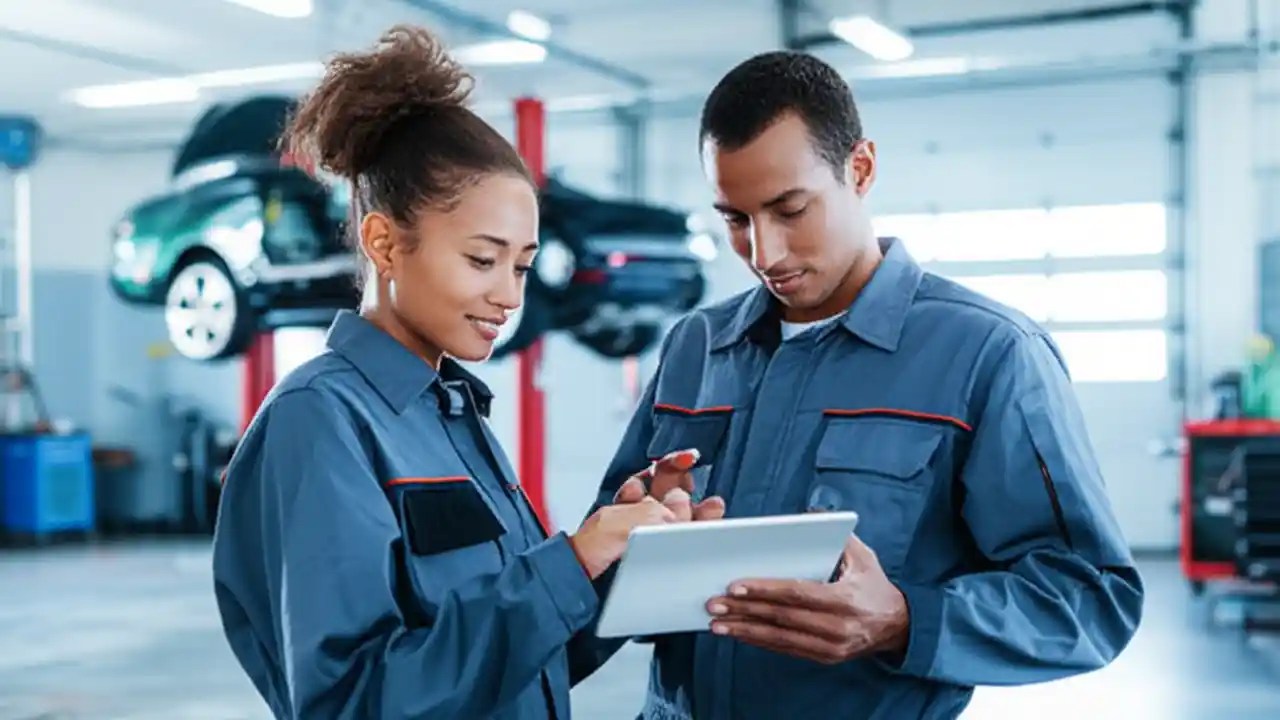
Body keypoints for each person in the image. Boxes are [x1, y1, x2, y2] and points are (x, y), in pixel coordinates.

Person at [572, 51, 1145, 719]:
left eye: (790, 209)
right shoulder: (695, 348)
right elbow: (602, 565)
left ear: (861, 169)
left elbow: (1091, 597)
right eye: (735, 219)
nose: (764, 253)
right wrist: (641, 539)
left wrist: (907, 621)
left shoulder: (988, 354)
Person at [210, 25, 722, 720]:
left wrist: (623, 552)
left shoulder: (450, 414)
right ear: (385, 243)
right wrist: (566, 563)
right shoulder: (320, 422)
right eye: (482, 260)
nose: (510, 296)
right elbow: (354, 702)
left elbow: (530, 662)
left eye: (521, 266)